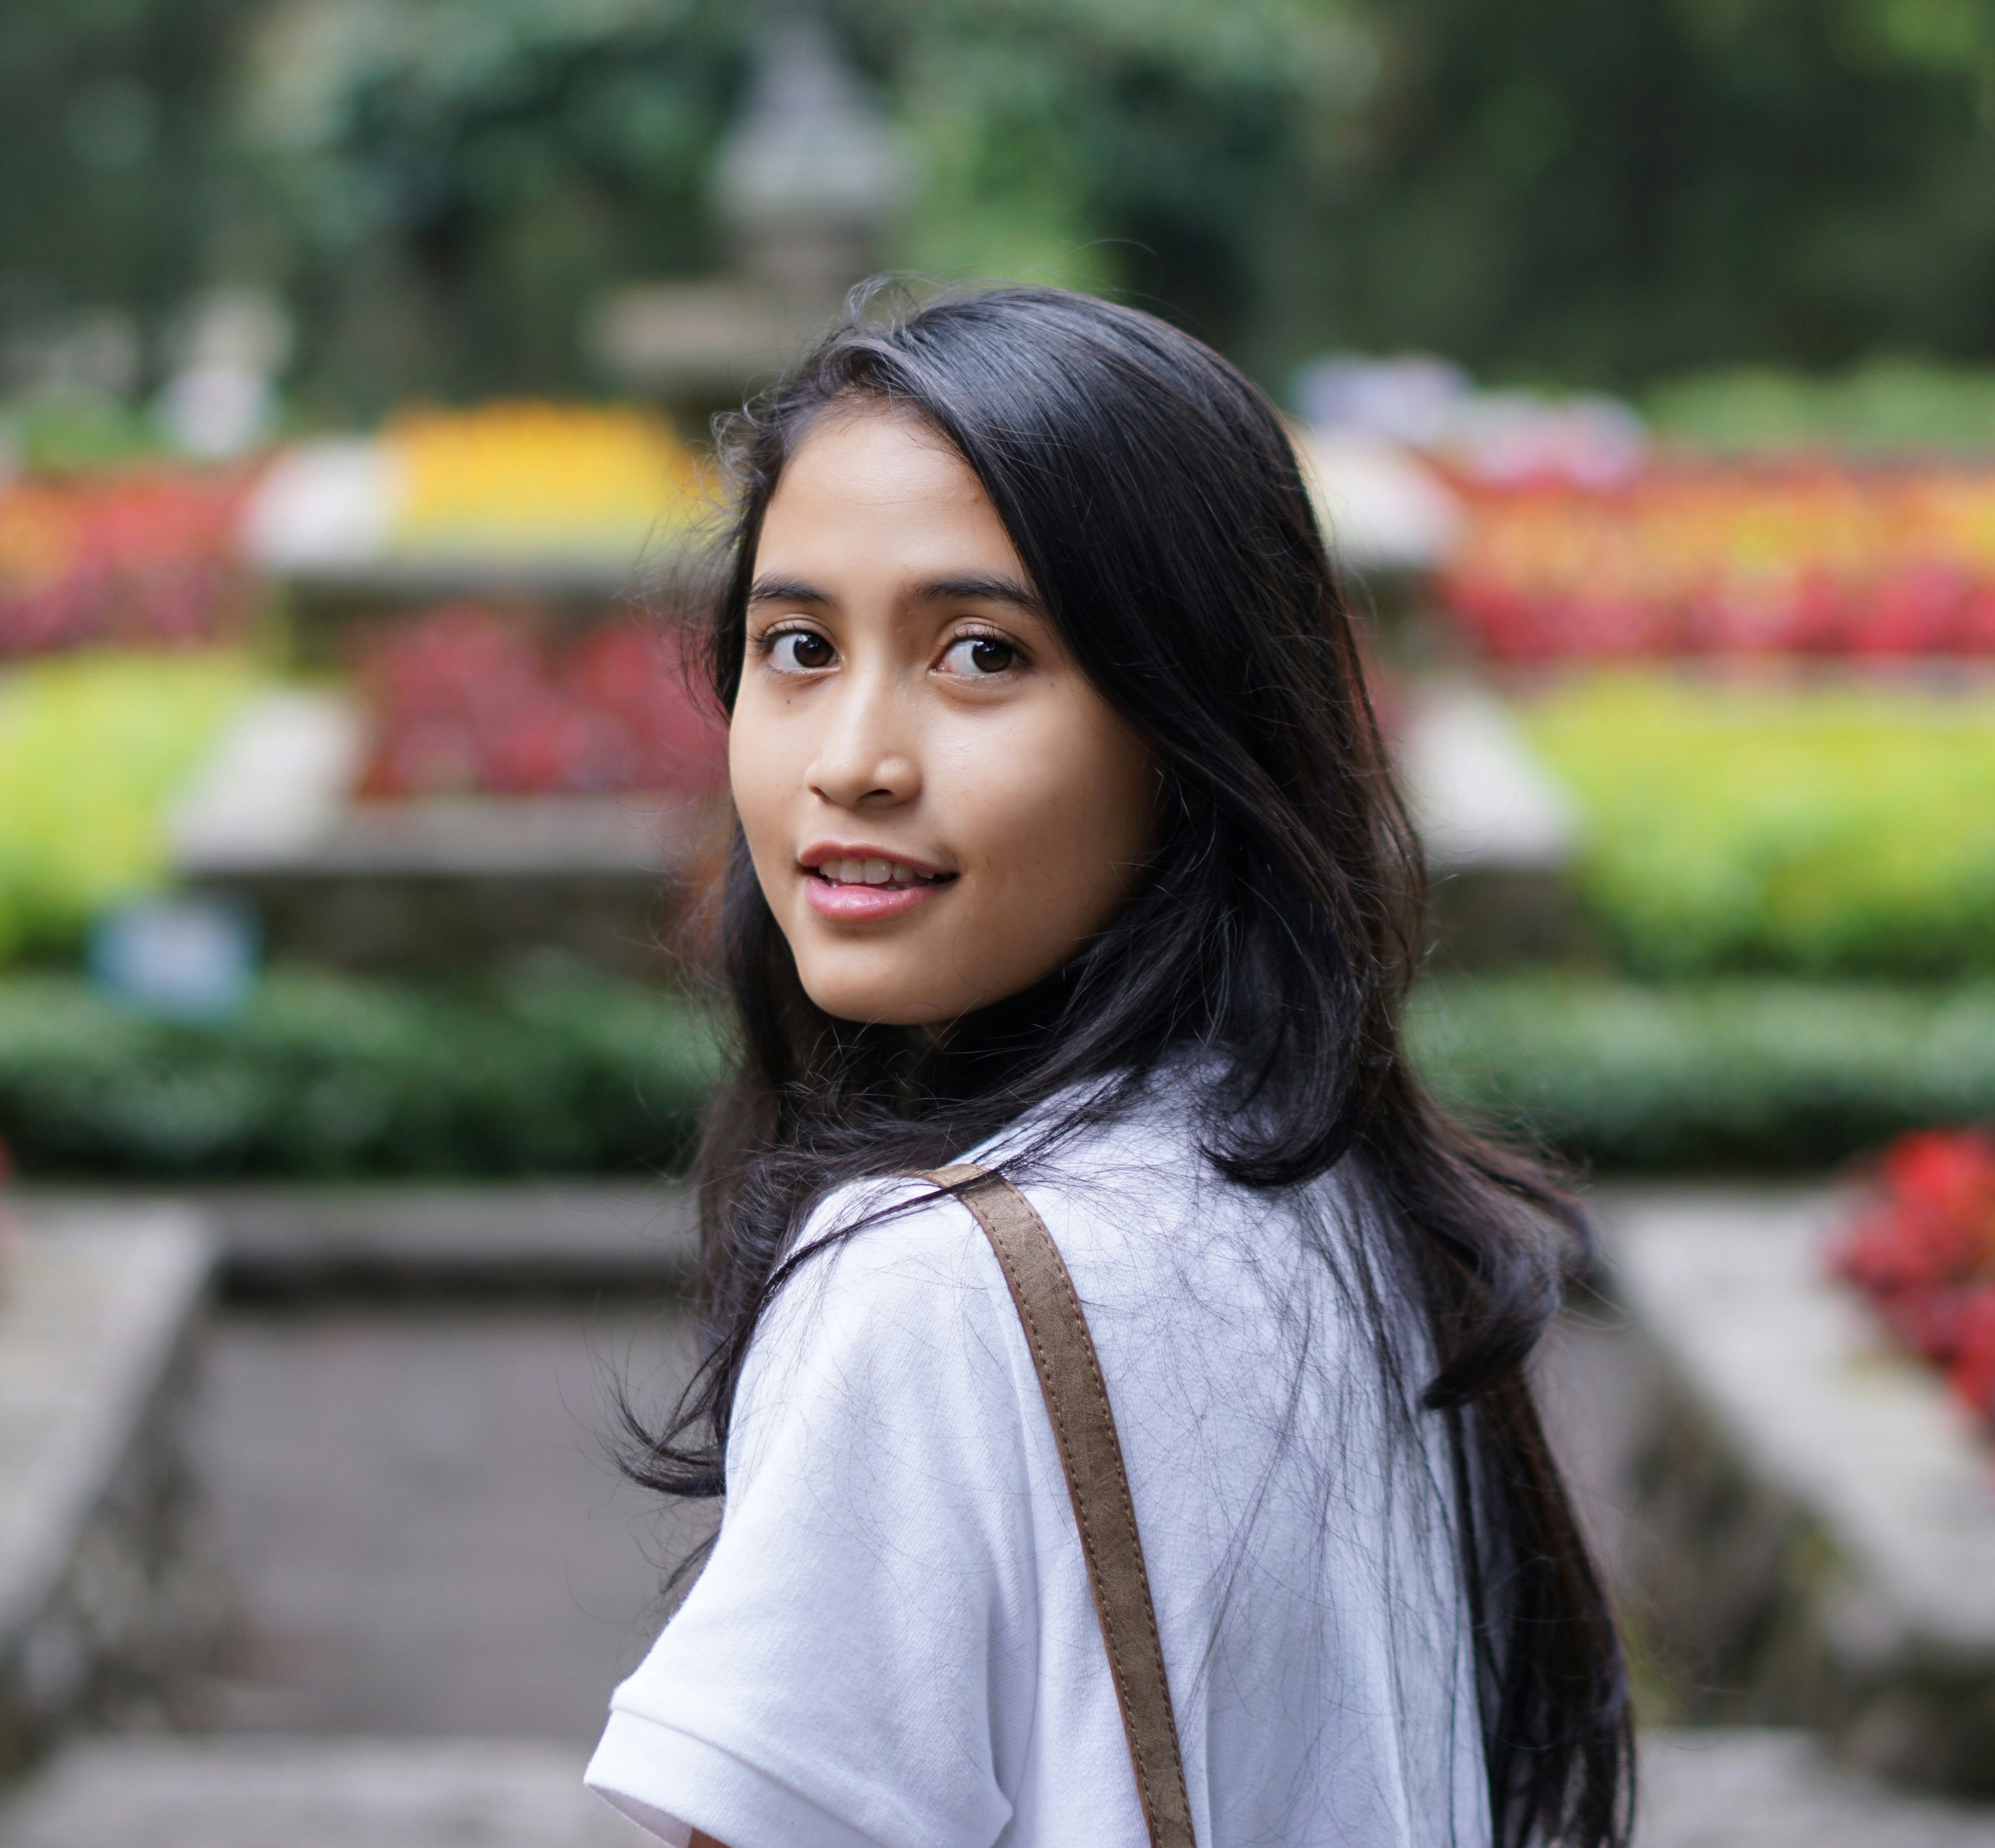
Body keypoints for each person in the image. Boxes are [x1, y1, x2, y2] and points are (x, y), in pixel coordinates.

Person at [588, 286, 1630, 1848]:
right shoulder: (1349, 1200)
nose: (852, 756)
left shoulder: (933, 1288)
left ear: (1191, 723)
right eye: (797, 645)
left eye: (983, 656)